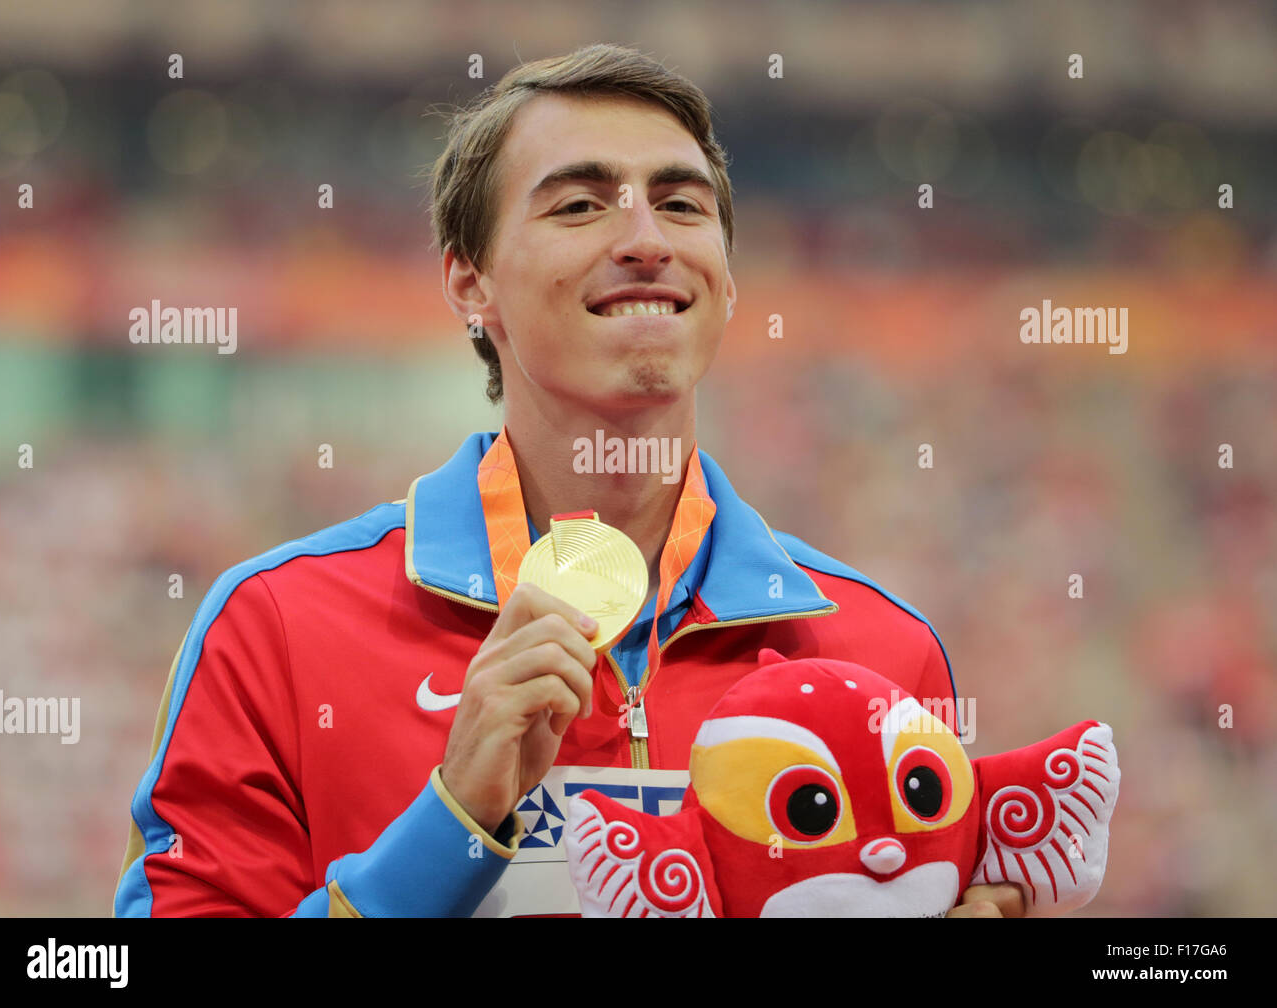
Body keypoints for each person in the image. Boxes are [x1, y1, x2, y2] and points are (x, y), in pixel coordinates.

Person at [114, 43, 1021, 918]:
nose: (643, 240)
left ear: (728, 280)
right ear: (470, 283)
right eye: (581, 205)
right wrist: (452, 822)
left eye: (680, 205)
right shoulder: (276, 629)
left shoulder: (878, 651)